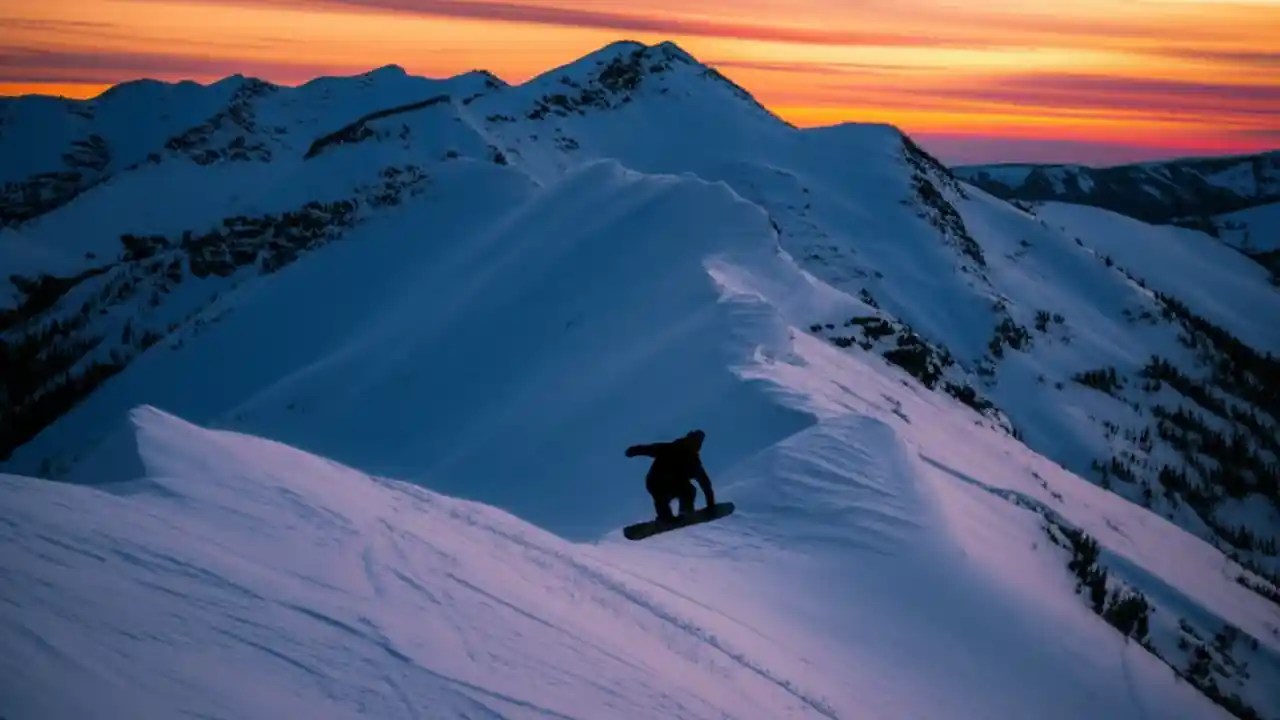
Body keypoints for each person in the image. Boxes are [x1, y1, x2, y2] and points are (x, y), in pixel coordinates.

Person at [625, 429, 716, 522]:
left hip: (674, 484)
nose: (697, 447)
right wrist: (633, 451)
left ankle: (685, 511)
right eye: (695, 443)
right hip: (656, 481)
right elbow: (649, 449)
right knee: (661, 496)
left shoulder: (694, 462)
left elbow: (706, 484)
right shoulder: (670, 448)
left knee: (688, 490)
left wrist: (711, 505)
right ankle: (665, 516)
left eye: (698, 444)